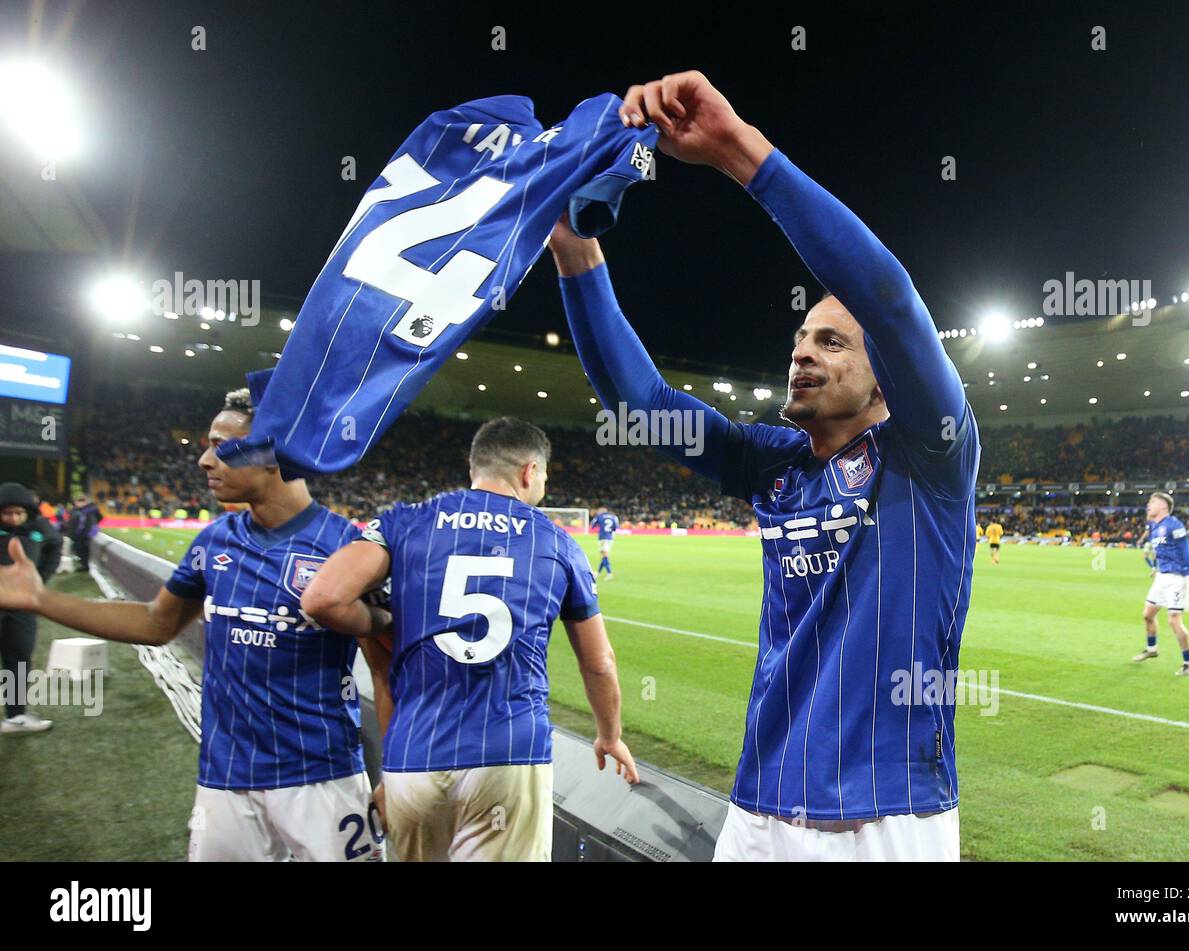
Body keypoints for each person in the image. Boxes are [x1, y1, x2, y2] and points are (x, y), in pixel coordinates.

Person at [549, 70, 978, 861]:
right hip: (759, 805)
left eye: (831, 341)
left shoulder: (930, 453)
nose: (803, 354)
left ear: (888, 374)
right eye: (798, 343)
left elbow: (886, 297)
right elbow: (637, 399)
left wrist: (740, 153)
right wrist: (575, 249)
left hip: (884, 817)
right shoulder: (772, 462)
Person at [0, 389, 384, 860]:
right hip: (225, 777)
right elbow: (154, 622)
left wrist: (397, 773)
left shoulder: (347, 548)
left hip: (323, 776)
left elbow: (386, 670)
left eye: (223, 445)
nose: (205, 460)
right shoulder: (214, 541)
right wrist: (40, 600)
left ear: (275, 451)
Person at [303, 416, 639, 861]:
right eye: (544, 473)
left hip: (415, 754)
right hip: (509, 752)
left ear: (474, 467)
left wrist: (384, 623)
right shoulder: (558, 544)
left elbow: (323, 599)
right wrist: (609, 734)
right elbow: (599, 663)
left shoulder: (405, 522)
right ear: (528, 471)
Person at [0, 483, 62, 735]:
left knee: (18, 660)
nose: (13, 518)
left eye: (18, 513)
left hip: (23, 607)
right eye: (7, 513)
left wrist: (42, 577)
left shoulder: (40, 529)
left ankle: (16, 716)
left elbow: (55, 546)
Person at [1132, 492, 1189, 675]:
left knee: (1174, 621)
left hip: (1177, 578)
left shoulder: (1174, 525)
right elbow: (1162, 551)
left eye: (1152, 502)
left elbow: (1185, 551)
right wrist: (1155, 567)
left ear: (1163, 507)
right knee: (1148, 614)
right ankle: (1152, 649)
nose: (1148, 505)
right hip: (1162, 577)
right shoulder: (1153, 526)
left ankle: (1188, 663)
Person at [66, 494, 103, 571]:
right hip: (79, 533)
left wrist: (93, 527)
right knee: (79, 548)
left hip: (85, 533)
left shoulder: (90, 510)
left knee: (84, 549)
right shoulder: (79, 510)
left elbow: (99, 518)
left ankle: (85, 565)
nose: (77, 503)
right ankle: (83, 563)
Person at [590, 506, 619, 578]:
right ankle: (598, 572)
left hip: (603, 538)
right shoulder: (613, 517)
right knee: (604, 556)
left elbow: (592, 525)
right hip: (610, 538)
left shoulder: (599, 516)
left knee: (605, 556)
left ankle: (609, 573)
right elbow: (616, 527)